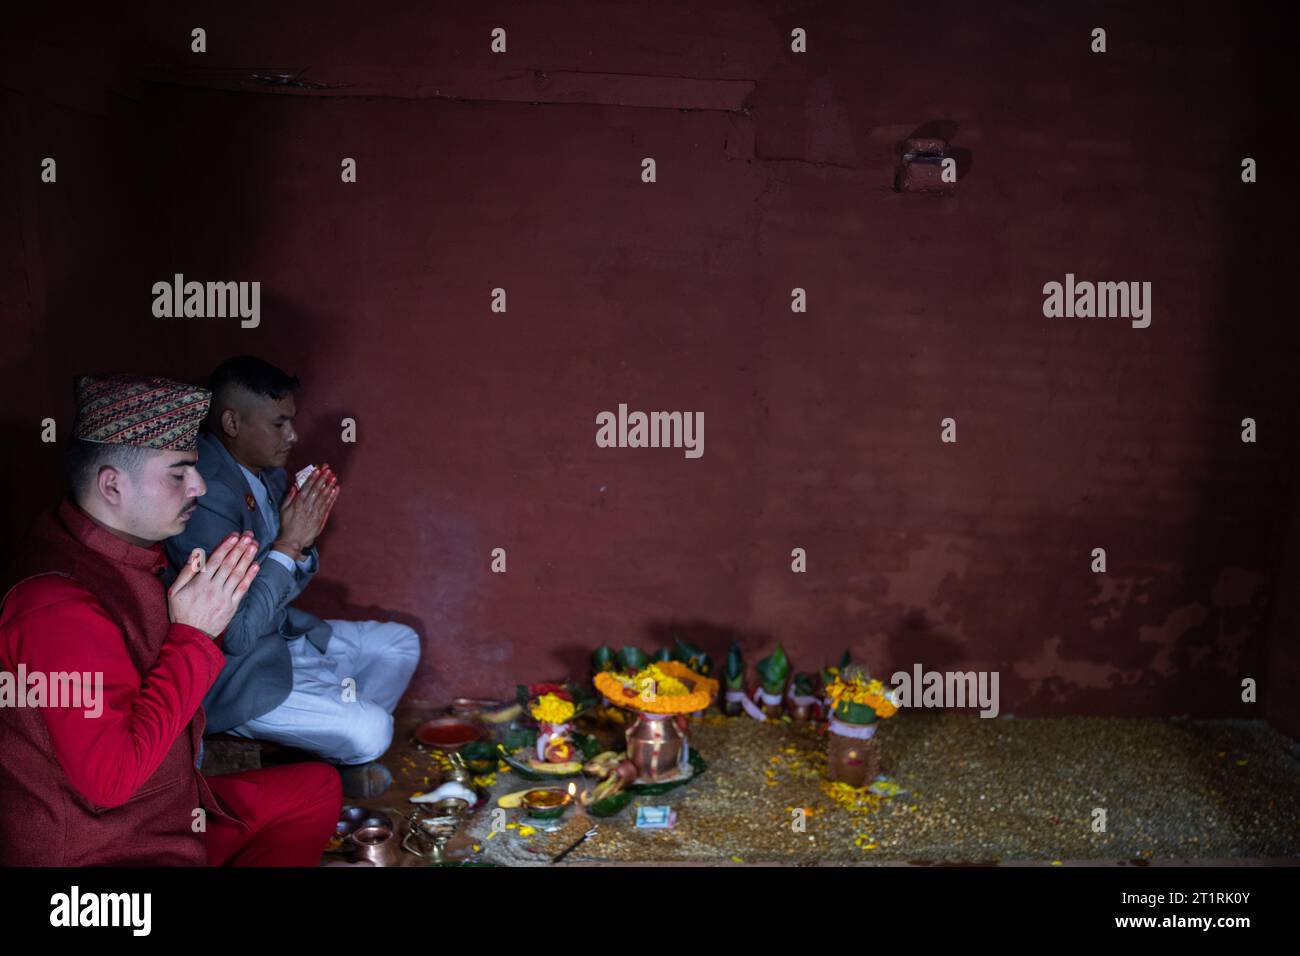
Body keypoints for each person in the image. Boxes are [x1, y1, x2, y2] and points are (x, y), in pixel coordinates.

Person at [0, 374, 342, 865]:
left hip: (173, 810)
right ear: (112, 484)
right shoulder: (55, 608)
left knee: (315, 789)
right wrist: (192, 637)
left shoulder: (125, 552)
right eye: (179, 473)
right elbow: (110, 781)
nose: (199, 487)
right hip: (107, 851)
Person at [164, 356, 419, 798]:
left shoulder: (270, 475)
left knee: (400, 643)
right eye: (279, 424)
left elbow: (288, 590)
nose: (293, 436)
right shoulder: (204, 493)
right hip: (235, 673)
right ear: (231, 422)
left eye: (292, 422)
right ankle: (341, 734)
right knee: (373, 732)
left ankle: (325, 733)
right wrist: (288, 544)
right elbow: (237, 633)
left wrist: (297, 545)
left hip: (279, 636)